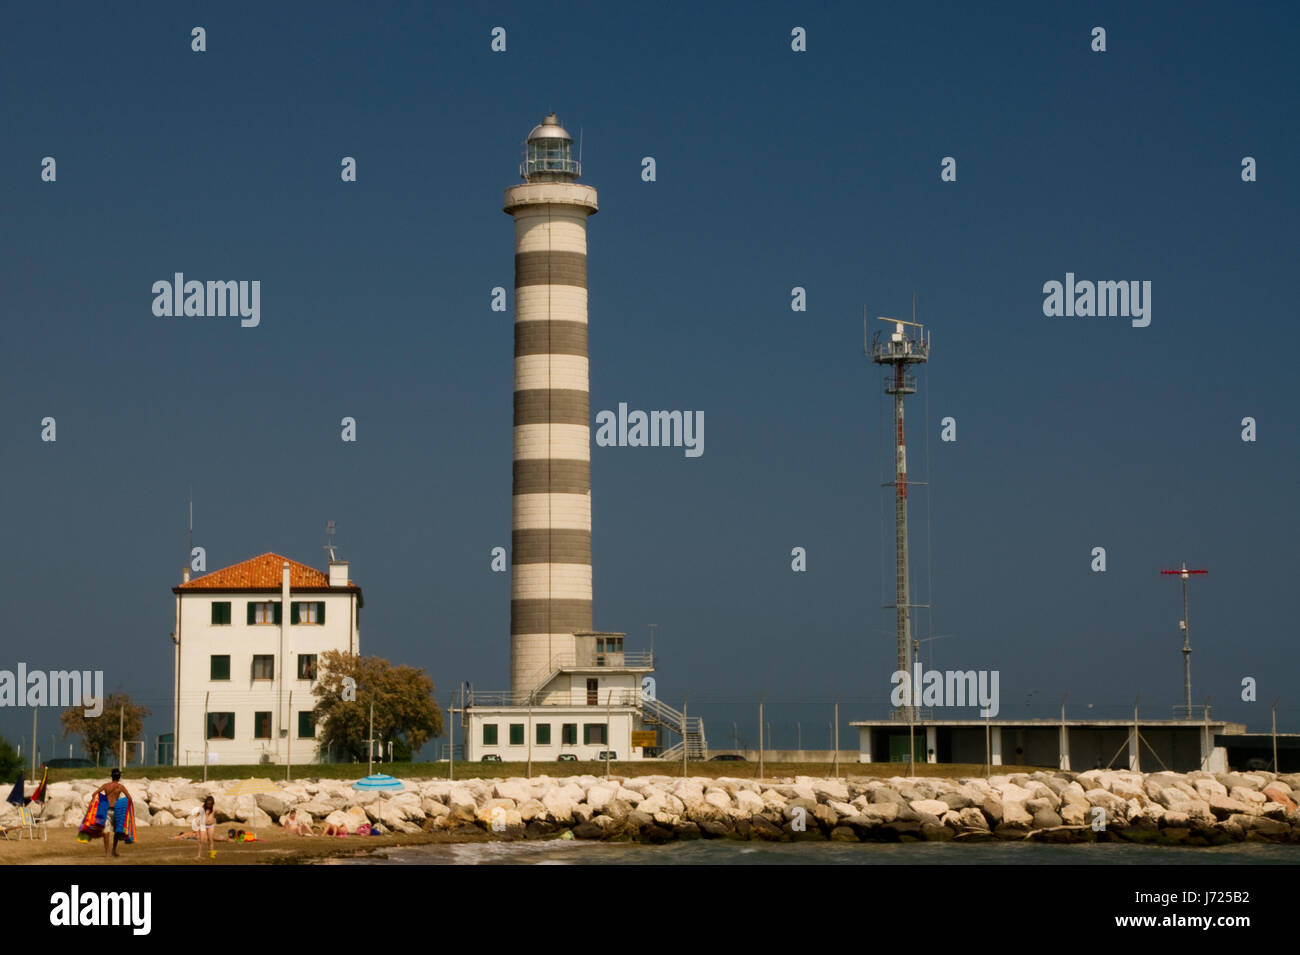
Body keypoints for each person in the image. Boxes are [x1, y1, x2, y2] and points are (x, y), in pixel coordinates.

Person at [84, 769, 134, 858]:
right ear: (119, 777)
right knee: (117, 831)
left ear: (111, 776)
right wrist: (123, 805)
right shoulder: (120, 787)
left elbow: (94, 794)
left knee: (106, 831)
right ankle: (114, 850)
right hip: (117, 811)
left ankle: (107, 853)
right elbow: (130, 798)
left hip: (106, 810)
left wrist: (101, 801)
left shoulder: (106, 786)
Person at [196, 795, 217, 860]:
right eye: (207, 803)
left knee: (211, 840)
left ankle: (212, 855)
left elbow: (212, 816)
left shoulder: (213, 808)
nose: (208, 805)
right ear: (206, 802)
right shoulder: (202, 807)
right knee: (201, 840)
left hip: (211, 825)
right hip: (203, 825)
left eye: (210, 804)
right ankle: (199, 855)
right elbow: (198, 815)